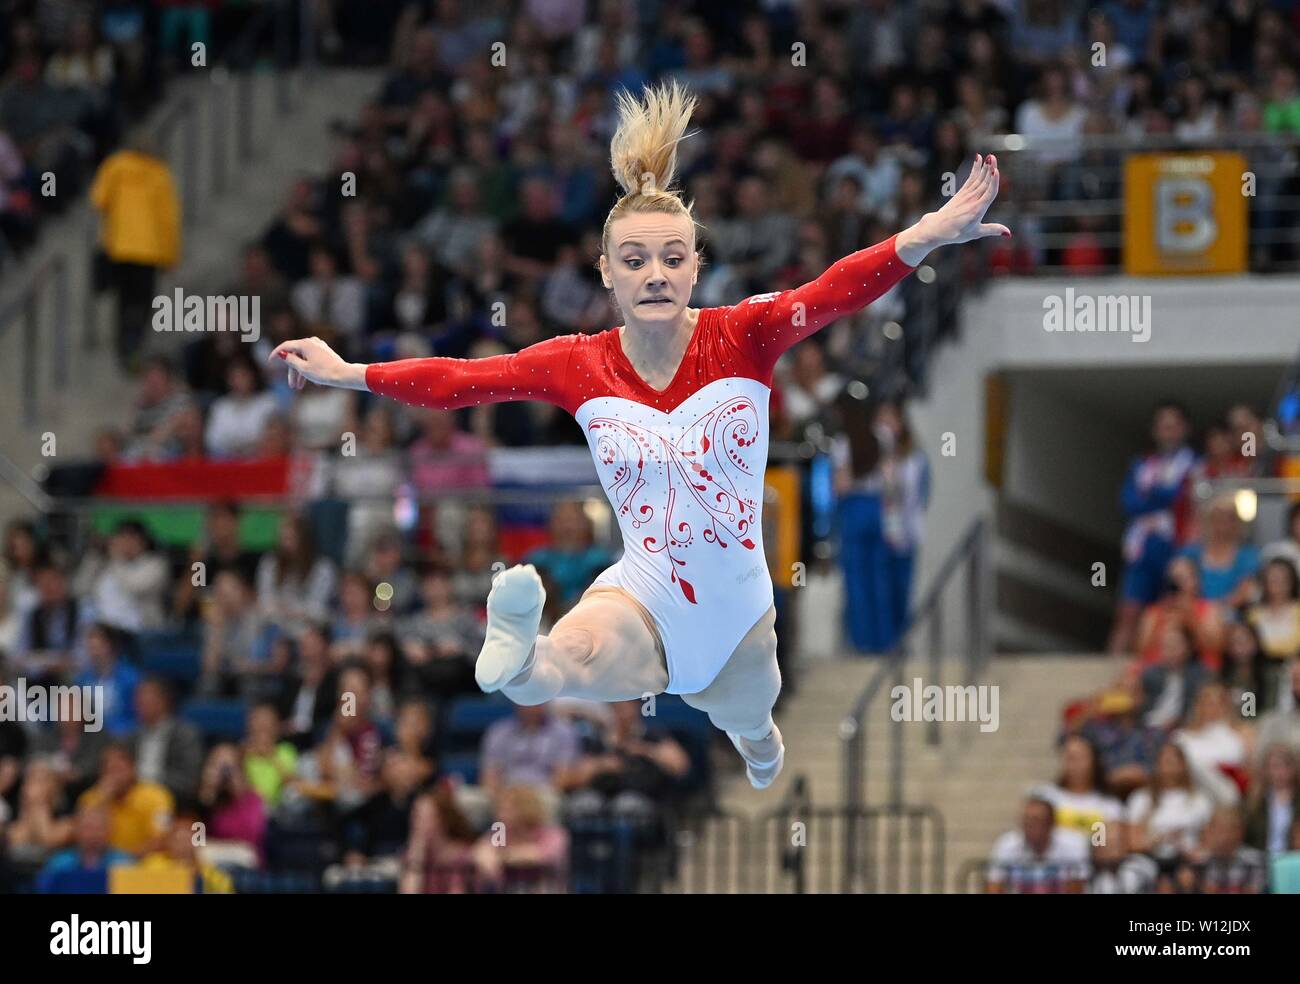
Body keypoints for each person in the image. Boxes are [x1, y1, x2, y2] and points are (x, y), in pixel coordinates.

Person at [268, 81, 1010, 789]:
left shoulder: (744, 335)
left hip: (740, 611)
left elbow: (833, 291)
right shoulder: (577, 363)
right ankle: (518, 656)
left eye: (672, 258)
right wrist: (353, 371)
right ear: (606, 272)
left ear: (695, 268)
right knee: (576, 651)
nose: (654, 274)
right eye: (634, 261)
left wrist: (927, 234)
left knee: (747, 709)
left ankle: (755, 739)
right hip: (646, 591)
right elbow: (462, 380)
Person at [1108, 401, 1197, 655]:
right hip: (1143, 546)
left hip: (1176, 546)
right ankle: (1109, 673)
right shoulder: (1142, 463)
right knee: (1128, 612)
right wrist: (1163, 495)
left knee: (1169, 613)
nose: (1168, 431)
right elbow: (1129, 503)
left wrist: (1152, 493)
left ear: (1184, 429)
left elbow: (1182, 497)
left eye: (1173, 426)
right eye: (1163, 426)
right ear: (1155, 430)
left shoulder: (1193, 463)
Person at [89, 132, 180, 371]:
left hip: (120, 247)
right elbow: (168, 219)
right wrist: (171, 257)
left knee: (124, 299)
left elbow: (98, 199)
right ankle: (134, 344)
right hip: (149, 250)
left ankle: (123, 345)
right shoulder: (160, 173)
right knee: (142, 301)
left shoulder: (116, 165)